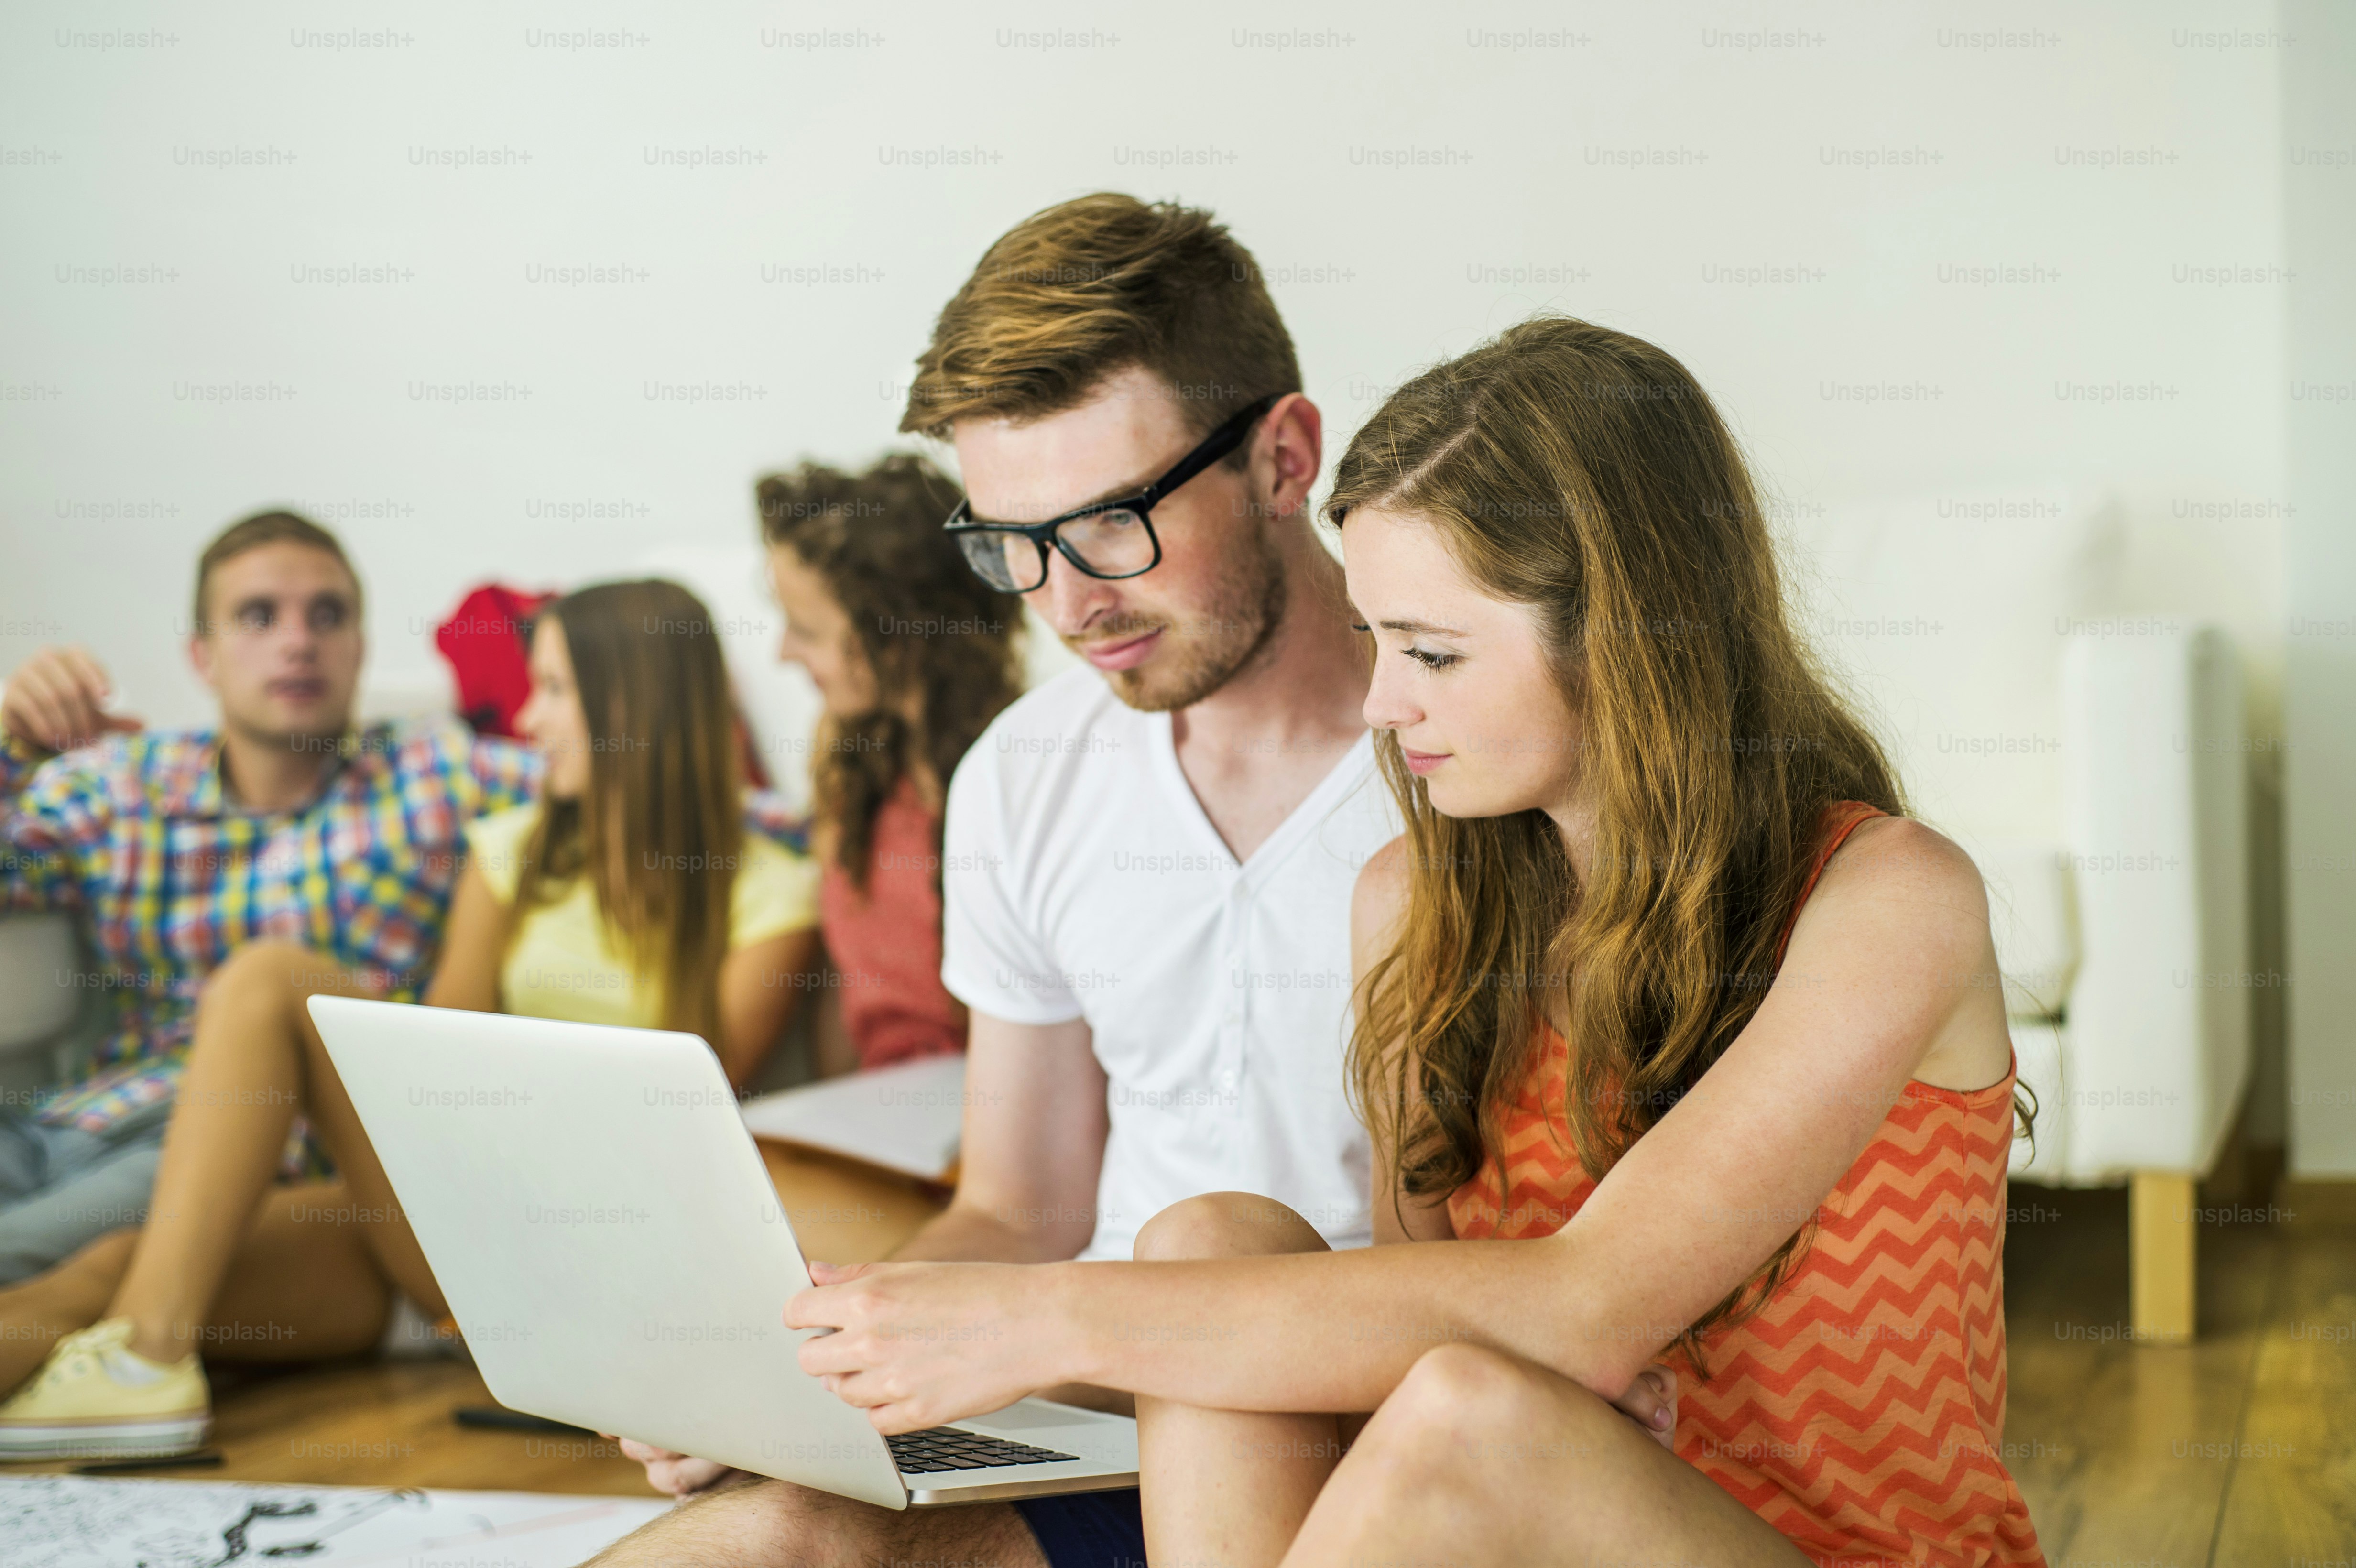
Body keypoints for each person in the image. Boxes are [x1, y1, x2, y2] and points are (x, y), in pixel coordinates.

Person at [760, 318, 2049, 1565]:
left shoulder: (1888, 899)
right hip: (1521, 1536)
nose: (1383, 704)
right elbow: (1418, 1323)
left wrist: (1037, 1322)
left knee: (1470, 1424)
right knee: (1212, 1242)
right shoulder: (1414, 906)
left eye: (1433, 651)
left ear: (1632, 634)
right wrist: (851, 1360)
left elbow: (1581, 1313)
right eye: (1379, 640)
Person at [593, 195, 1438, 1568]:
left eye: (1111, 525)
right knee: (764, 1540)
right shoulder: (1025, 774)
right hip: (1103, 1414)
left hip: (1387, 1420)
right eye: (1011, 544)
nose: (1067, 603)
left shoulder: (1469, 759)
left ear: (1284, 458)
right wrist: (810, 1368)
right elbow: (1021, 1207)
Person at [0, 579, 821, 1459]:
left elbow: (688, 1131)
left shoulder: (772, 895)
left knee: (272, 980)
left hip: (595, 1250)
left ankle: (144, 1363)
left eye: (552, 691)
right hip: (442, 1228)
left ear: (635, 704)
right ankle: (142, 1359)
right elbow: (438, 1070)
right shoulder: (513, 850)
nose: (530, 722)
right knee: (105, 1273)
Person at [0, 511, 538, 1286]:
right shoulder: (120, 784)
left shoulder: (437, 776)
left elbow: (647, 796)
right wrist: (14, 750)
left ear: (360, 646)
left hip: (228, 1158)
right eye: (259, 616)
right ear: (203, 655)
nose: (299, 641)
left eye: (329, 616)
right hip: (65, 1120)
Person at [755, 455, 1025, 1076]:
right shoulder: (845, 754)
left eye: (806, 630)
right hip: (871, 1118)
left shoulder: (1015, 780)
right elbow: (846, 990)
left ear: (897, 637)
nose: (783, 653)